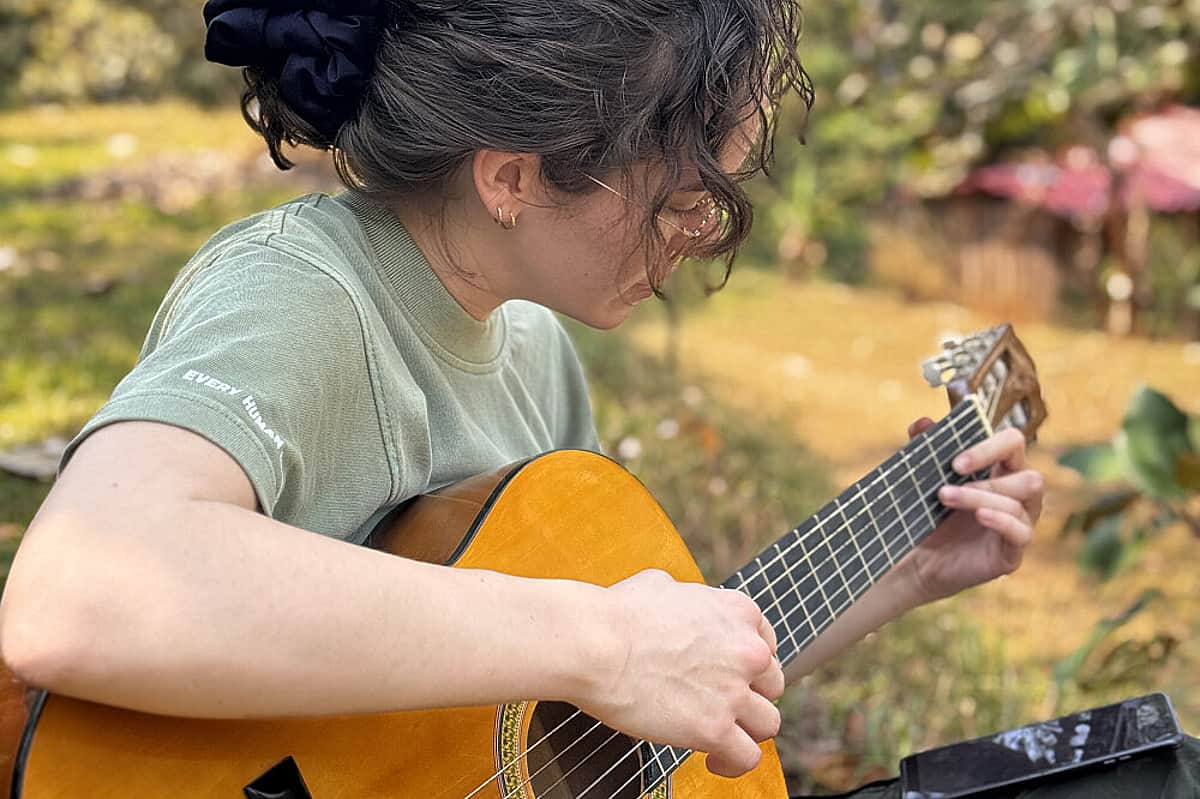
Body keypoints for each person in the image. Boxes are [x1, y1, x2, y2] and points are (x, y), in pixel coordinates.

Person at [1, 1, 1186, 796]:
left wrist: (902, 569)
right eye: (677, 196)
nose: (698, 231)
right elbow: (78, 593)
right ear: (511, 177)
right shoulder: (305, 298)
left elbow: (594, 725)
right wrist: (603, 636)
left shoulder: (532, 353)